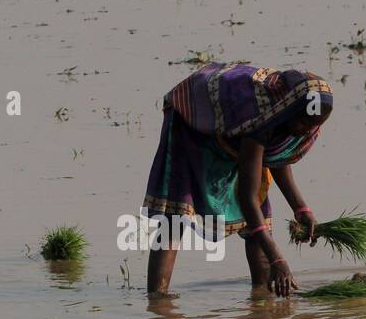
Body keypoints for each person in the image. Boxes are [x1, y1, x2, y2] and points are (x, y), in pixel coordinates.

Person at [142, 61, 333, 298]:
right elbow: (247, 197)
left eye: (312, 125)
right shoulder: (260, 118)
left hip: (239, 139)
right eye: (303, 123)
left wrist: (300, 208)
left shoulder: (296, 119)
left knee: (260, 221)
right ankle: (157, 301)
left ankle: (261, 298)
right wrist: (278, 258)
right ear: (288, 112)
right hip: (195, 128)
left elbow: (278, 155)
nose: (306, 131)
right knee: (176, 214)